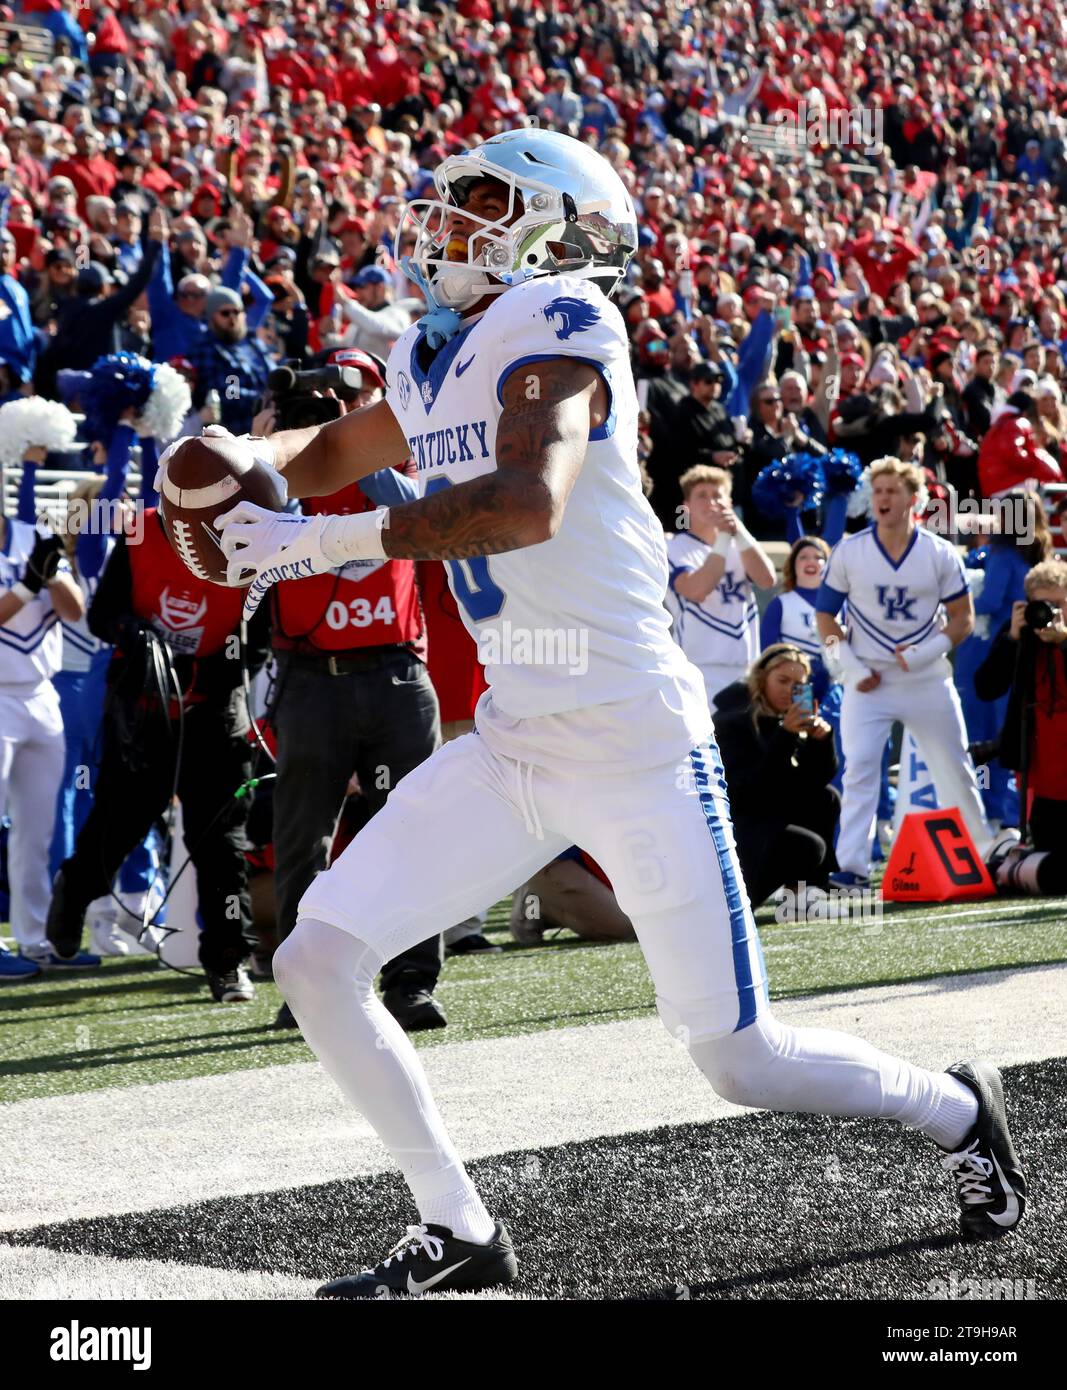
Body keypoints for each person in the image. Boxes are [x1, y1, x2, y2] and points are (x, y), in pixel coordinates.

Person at [190, 132, 1023, 1298]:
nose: (447, 222)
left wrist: (316, 539)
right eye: (451, 199)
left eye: (484, 203)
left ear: (559, 230)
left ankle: (953, 1108)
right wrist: (242, 452)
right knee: (319, 958)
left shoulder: (562, 322)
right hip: (515, 740)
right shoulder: (443, 349)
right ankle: (458, 1228)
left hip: (634, 741)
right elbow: (335, 446)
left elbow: (528, 501)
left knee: (738, 1057)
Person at [815, 457, 994, 887]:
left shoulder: (939, 552)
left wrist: (922, 653)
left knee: (954, 764)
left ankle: (984, 855)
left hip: (927, 678)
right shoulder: (850, 550)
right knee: (858, 768)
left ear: (913, 499)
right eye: (877, 491)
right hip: (868, 681)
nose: (882, 499)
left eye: (892, 491)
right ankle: (853, 866)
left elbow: (962, 618)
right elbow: (824, 618)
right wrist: (850, 669)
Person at [0, 496, 89, 978]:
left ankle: (34, 938)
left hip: (40, 693)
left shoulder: (33, 537)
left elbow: (75, 613)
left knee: (36, 832)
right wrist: (28, 581)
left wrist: (52, 573)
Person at [714, 644, 839, 906]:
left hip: (765, 815)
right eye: (782, 681)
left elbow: (814, 781)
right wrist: (785, 737)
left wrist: (821, 742)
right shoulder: (731, 721)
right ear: (761, 678)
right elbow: (747, 791)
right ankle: (780, 892)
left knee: (825, 798)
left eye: (797, 685)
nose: (788, 691)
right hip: (739, 828)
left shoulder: (784, 720)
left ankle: (803, 895)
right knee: (808, 846)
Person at [974, 557, 1067, 887]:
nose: (1050, 613)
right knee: (1054, 858)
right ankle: (1010, 860)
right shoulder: (1021, 632)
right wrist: (1011, 639)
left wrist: (1063, 642)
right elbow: (985, 687)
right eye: (1042, 604)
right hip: (1044, 778)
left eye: (1058, 604)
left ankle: (1010, 859)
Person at [665, 464, 776, 708]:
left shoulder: (742, 546)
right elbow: (696, 589)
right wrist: (725, 537)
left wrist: (737, 530)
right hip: (698, 666)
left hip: (746, 667)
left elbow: (767, 580)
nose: (711, 502)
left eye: (717, 495)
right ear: (686, 506)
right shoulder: (674, 547)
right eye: (702, 496)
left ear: (730, 502)